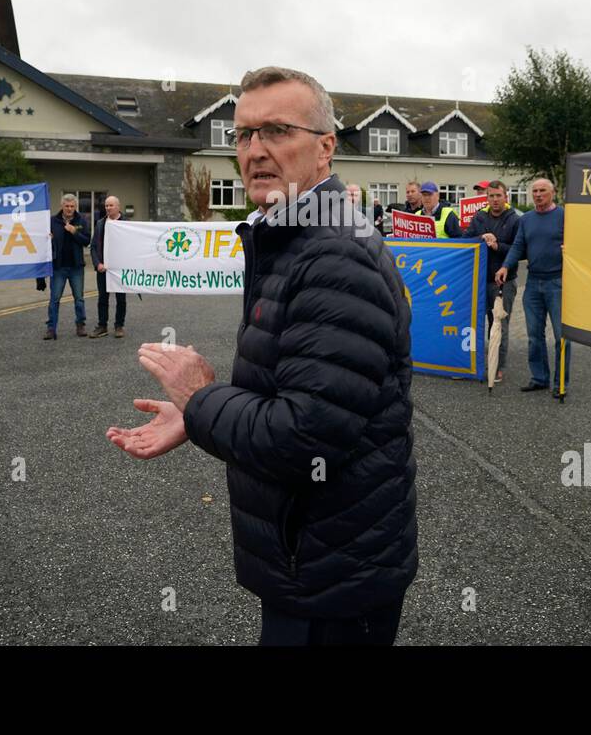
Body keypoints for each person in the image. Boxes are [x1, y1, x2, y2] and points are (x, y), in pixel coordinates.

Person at [106, 65, 417, 646]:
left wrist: (200, 398)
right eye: (244, 135)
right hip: (315, 558)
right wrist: (196, 417)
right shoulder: (291, 238)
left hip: (331, 573)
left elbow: (303, 438)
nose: (254, 150)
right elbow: (293, 392)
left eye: (277, 131)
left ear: (326, 148)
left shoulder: (334, 260)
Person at [496, 177, 567, 393]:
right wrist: (506, 266)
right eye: (534, 191)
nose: (537, 194)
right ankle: (539, 377)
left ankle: (560, 383)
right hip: (534, 282)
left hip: (558, 282)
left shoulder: (564, 216)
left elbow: (581, 242)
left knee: (561, 336)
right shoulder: (526, 219)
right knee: (534, 335)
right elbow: (518, 246)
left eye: (542, 190)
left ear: (552, 193)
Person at [465, 180, 520, 382]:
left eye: (499, 196)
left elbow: (520, 250)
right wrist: (481, 237)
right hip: (480, 281)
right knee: (480, 323)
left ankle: (498, 366)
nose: (495, 200)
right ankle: (478, 363)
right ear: (486, 198)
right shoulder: (479, 217)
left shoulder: (515, 220)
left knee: (499, 325)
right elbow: (466, 239)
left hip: (503, 282)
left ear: (506, 197)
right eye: (491, 196)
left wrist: (498, 245)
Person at [44, 193, 91, 339]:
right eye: (67, 206)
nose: (69, 209)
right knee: (55, 299)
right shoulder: (53, 221)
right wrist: (48, 238)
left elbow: (86, 241)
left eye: (72, 206)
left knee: (79, 299)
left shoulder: (82, 220)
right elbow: (44, 241)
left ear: (75, 206)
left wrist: (74, 231)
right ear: (62, 206)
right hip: (58, 267)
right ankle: (51, 328)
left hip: (76, 267)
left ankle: (80, 325)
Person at [89, 195, 128, 339]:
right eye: (106, 205)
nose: (108, 208)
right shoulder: (100, 223)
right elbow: (93, 247)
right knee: (102, 299)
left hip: (120, 269)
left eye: (111, 205)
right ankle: (102, 326)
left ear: (118, 207)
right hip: (103, 269)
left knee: (121, 299)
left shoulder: (127, 224)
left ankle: (119, 325)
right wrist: (97, 263)